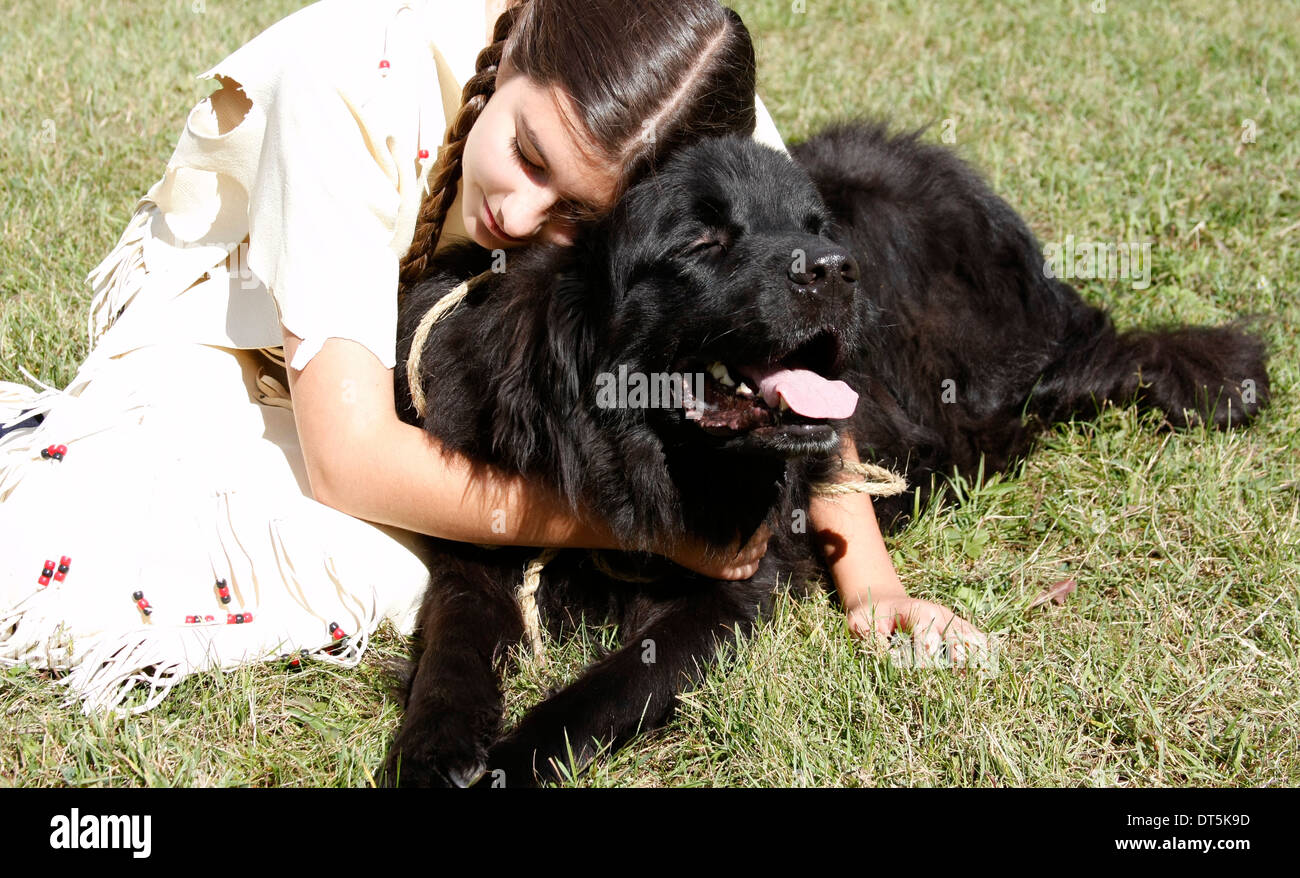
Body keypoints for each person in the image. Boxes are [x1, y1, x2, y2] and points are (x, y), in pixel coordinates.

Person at [0, 0, 983, 714]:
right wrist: (645, 531)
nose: (516, 214)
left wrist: (873, 584)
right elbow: (349, 456)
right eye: (528, 153)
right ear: (514, 42)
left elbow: (788, 346)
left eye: (575, 213)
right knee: (365, 560)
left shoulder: (692, 105)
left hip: (446, 366)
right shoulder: (344, 75)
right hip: (252, 353)